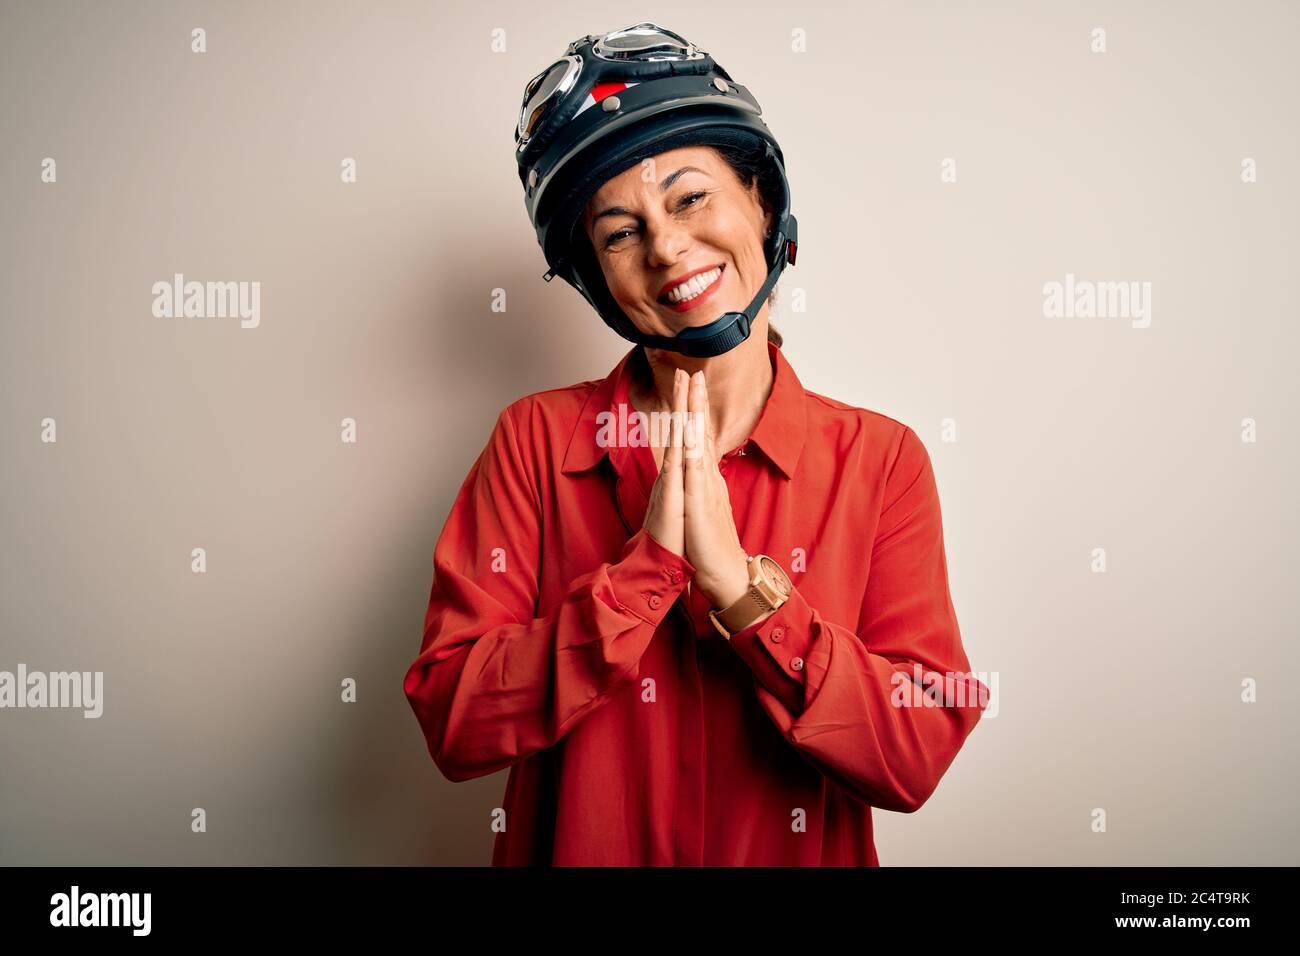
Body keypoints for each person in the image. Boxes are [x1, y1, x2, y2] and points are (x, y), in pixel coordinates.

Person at [403, 22, 988, 865]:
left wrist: (746, 600)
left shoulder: (881, 460)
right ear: (596, 278)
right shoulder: (534, 442)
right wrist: (642, 578)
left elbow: (916, 753)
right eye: (618, 233)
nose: (668, 247)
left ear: (760, 200)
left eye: (689, 198)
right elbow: (455, 724)